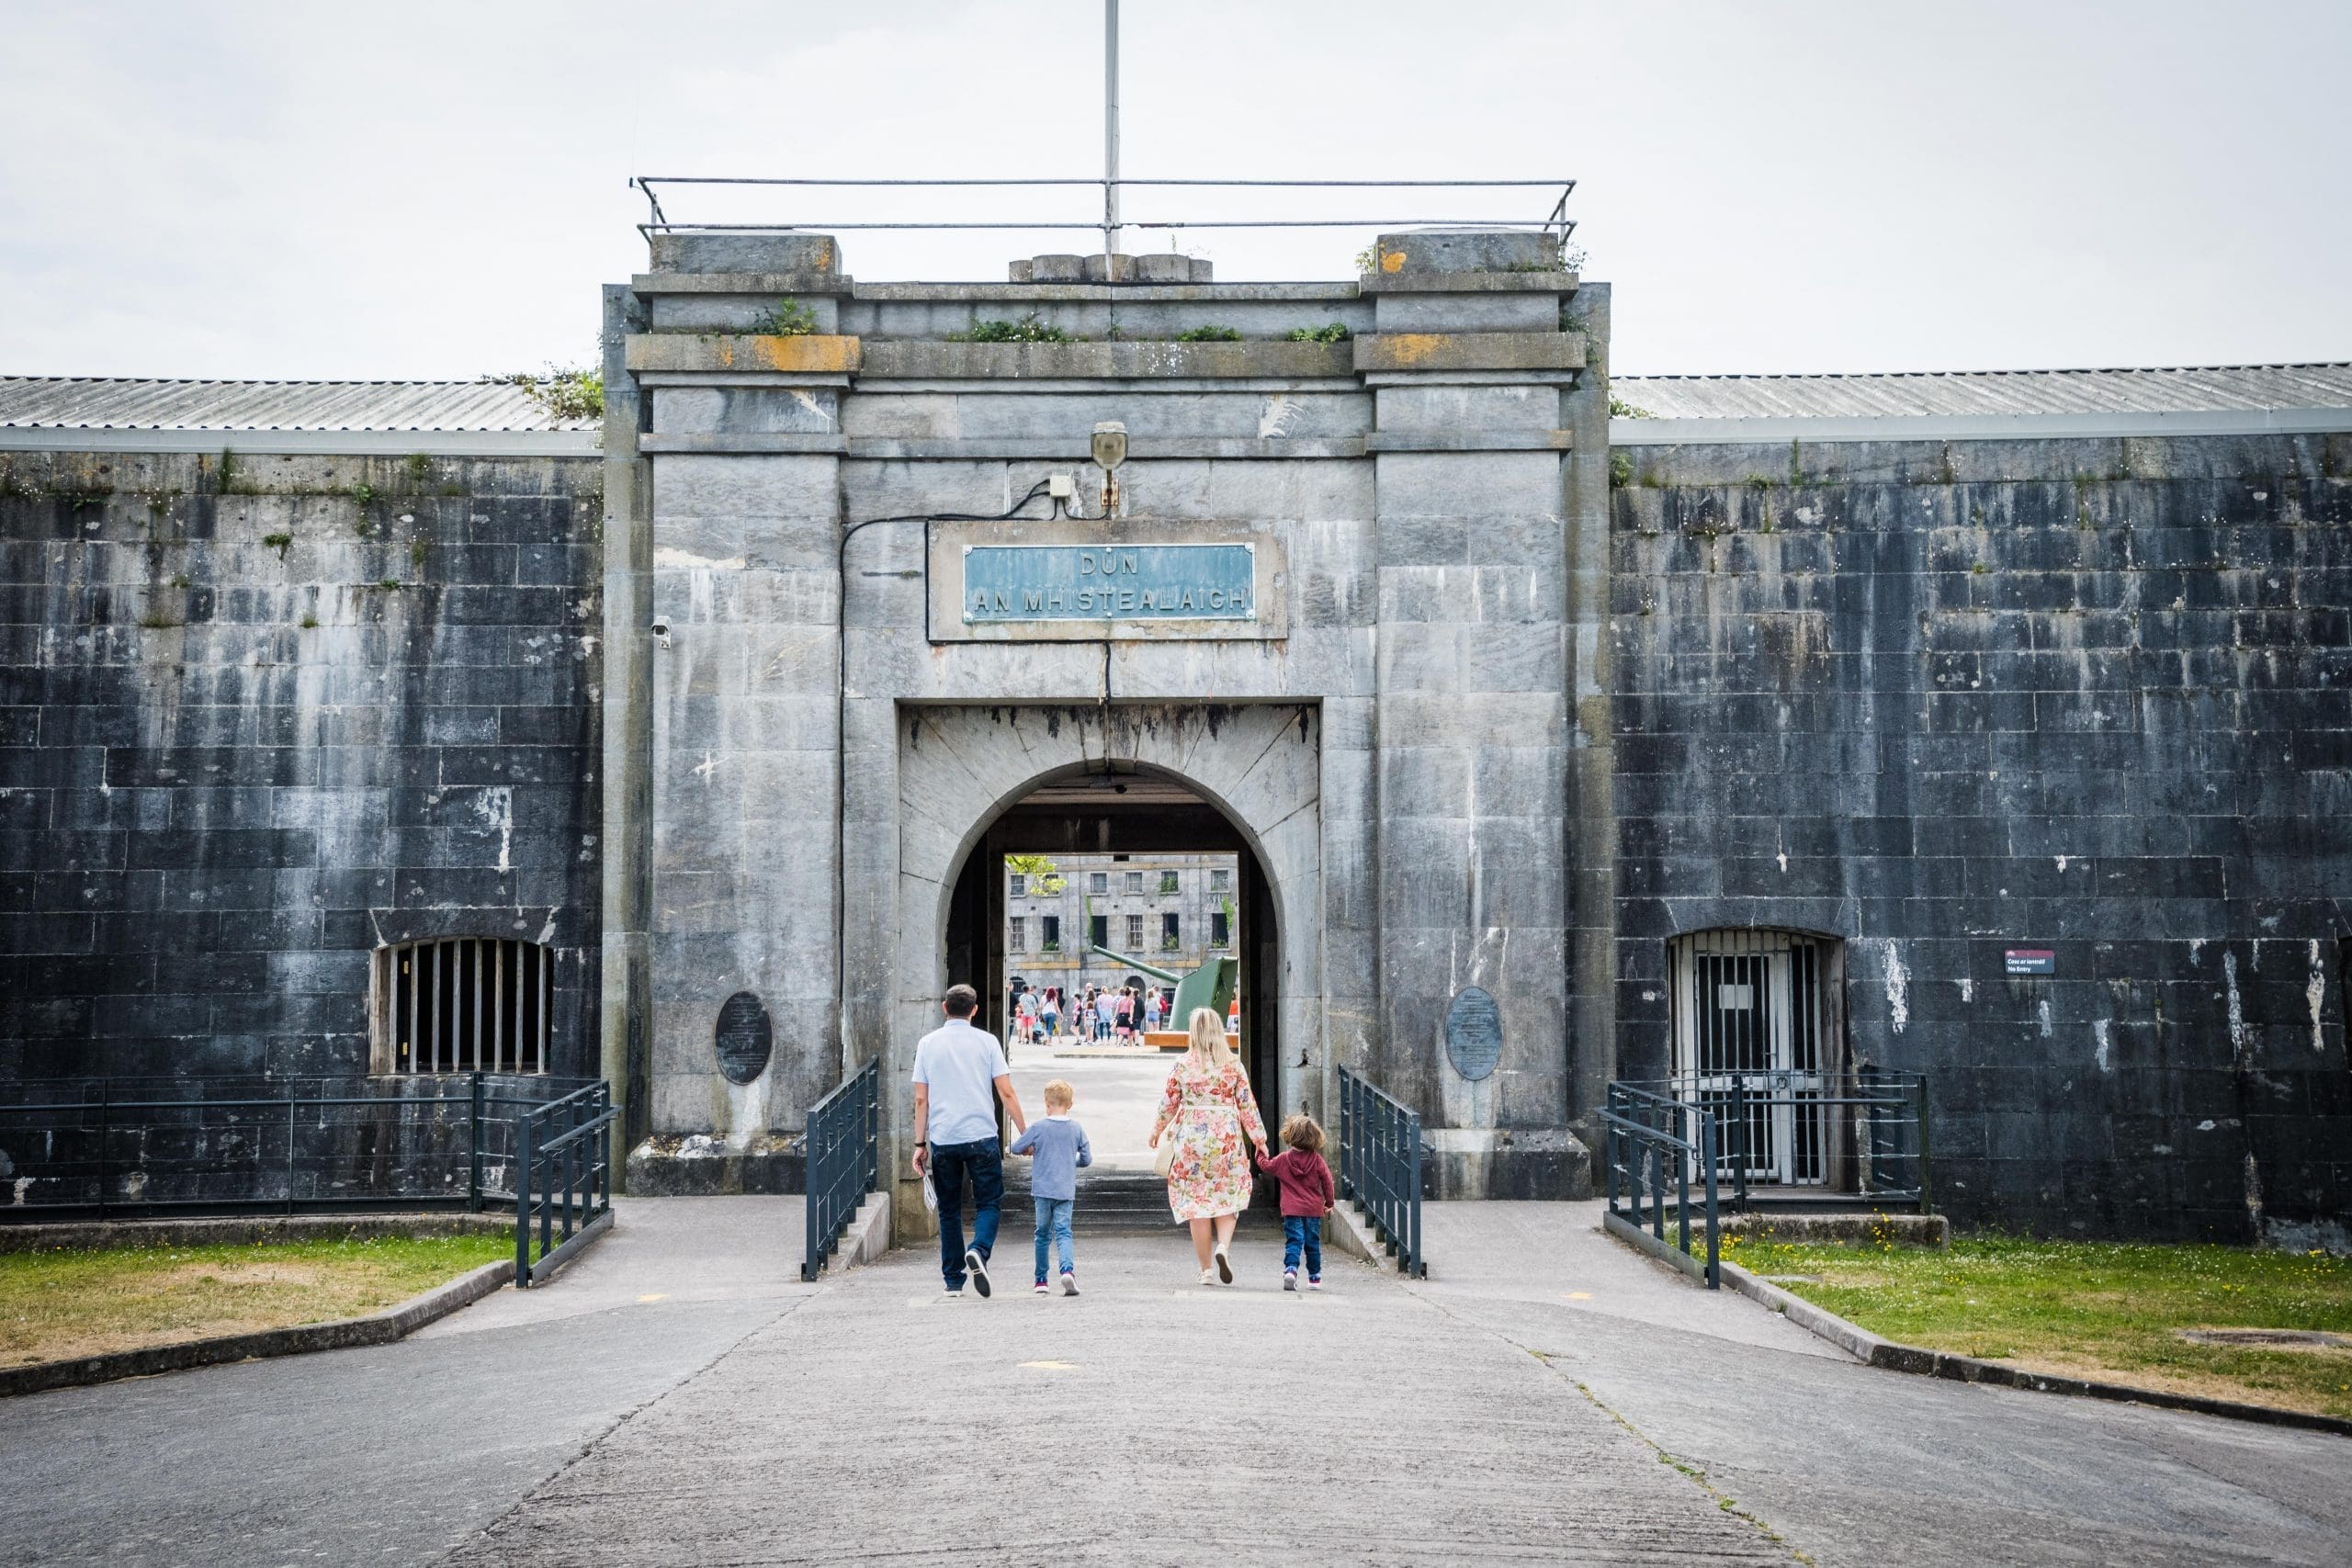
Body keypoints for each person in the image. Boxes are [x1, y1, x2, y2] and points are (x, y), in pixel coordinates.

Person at [911, 983, 1026, 1298]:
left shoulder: (927, 1043)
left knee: (948, 1209)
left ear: (945, 1008)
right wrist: (1024, 1133)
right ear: (975, 1010)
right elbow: (1006, 1092)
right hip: (981, 1135)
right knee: (988, 1202)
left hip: (944, 1137)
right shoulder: (987, 1042)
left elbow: (922, 1100)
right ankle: (978, 1249)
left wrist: (920, 1144)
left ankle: (952, 1281)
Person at [1148, 1005, 1270, 1285]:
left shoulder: (1182, 1065)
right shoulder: (1233, 1065)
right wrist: (1259, 1141)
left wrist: (1156, 1130)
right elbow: (1247, 1105)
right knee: (1228, 1193)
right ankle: (1223, 1247)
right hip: (1225, 1137)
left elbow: (1169, 1103)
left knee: (1196, 1203)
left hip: (1192, 1138)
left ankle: (1205, 1271)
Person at [1009, 1078, 1091, 1296]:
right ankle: (1067, 1270)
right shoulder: (1076, 1128)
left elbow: (1017, 1148)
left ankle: (1041, 1280)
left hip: (1042, 1191)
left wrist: (1032, 1149)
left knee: (1042, 1234)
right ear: (1070, 1104)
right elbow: (1086, 1158)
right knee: (1064, 1232)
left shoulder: (1038, 1127)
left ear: (1046, 1103)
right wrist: (1069, 1162)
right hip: (1065, 1190)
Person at [1257, 1112, 1336, 1292]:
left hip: (1292, 1210)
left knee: (1294, 1241)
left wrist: (1259, 1154)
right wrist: (1329, 1203)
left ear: (1290, 1136)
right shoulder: (1317, 1160)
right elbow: (1327, 1180)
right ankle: (1314, 1278)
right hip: (1313, 1210)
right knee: (1312, 1243)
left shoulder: (1284, 1159)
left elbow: (1266, 1166)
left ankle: (1291, 1270)